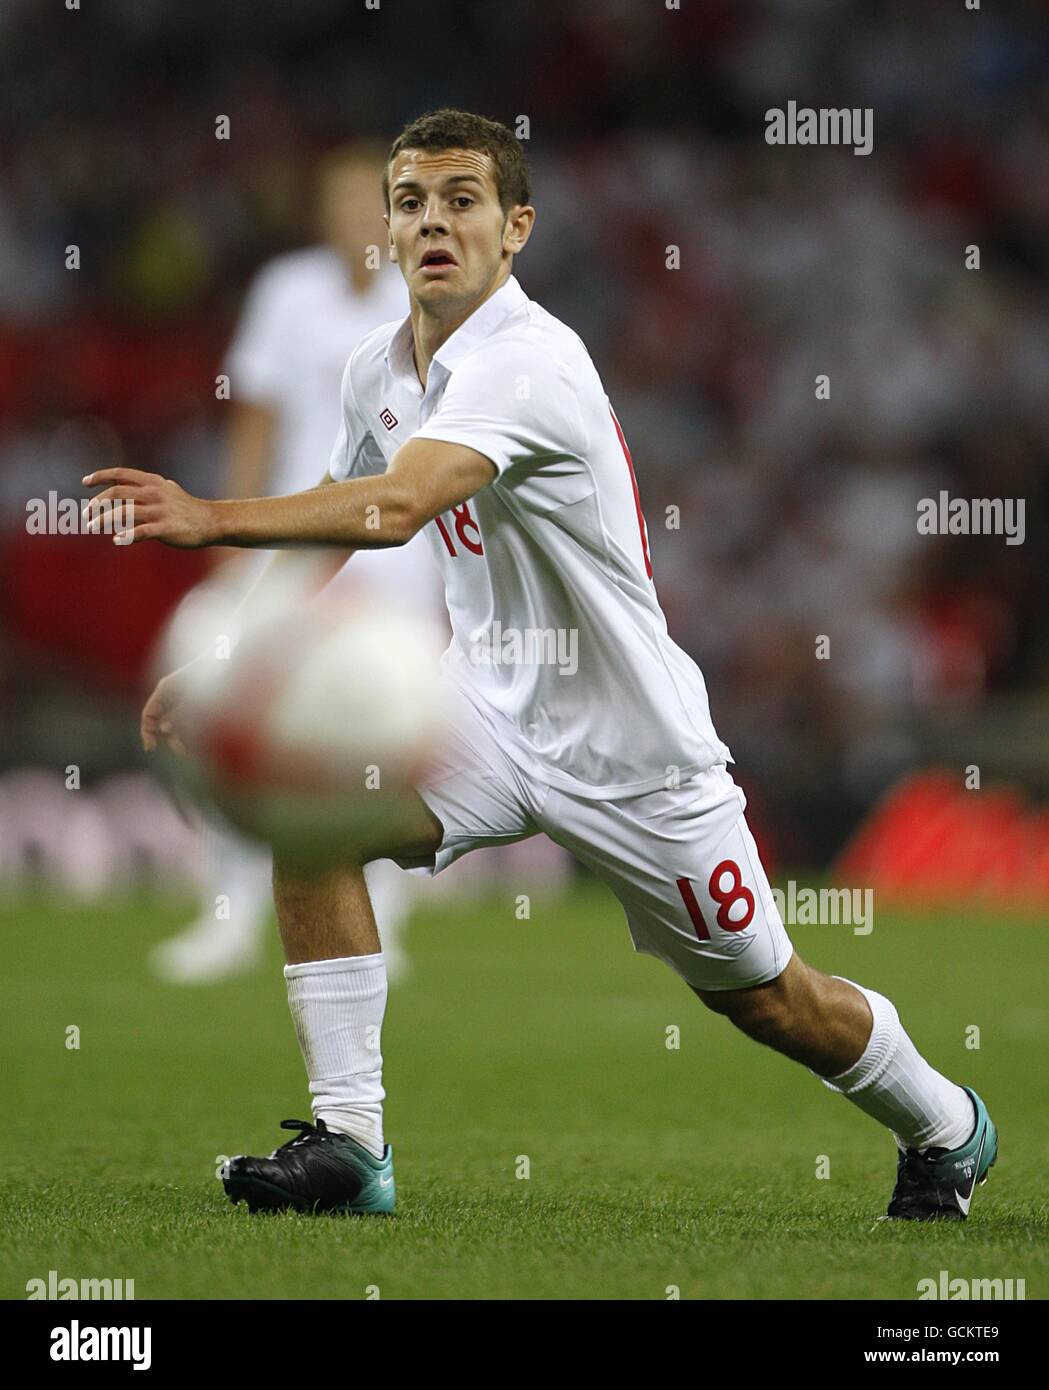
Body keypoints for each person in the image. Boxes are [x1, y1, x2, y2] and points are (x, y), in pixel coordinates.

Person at [84, 108, 996, 1222]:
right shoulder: (379, 367)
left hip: (632, 749)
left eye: (461, 200)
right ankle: (349, 1143)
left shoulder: (529, 361)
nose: (433, 222)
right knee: (311, 814)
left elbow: (394, 507)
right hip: (485, 704)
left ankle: (944, 1124)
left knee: (767, 998)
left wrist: (212, 516)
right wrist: (238, 653)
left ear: (516, 226)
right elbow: (335, 515)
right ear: (386, 227)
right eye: (411, 202)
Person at [150, 141, 436, 985]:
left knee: (381, 722)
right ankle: (228, 916)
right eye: (337, 202)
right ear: (319, 214)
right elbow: (256, 421)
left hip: (396, 544)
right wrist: (230, 547)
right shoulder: (287, 291)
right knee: (236, 710)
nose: (353, 219)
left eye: (367, 203)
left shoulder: (425, 294)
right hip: (295, 531)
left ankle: (385, 918)